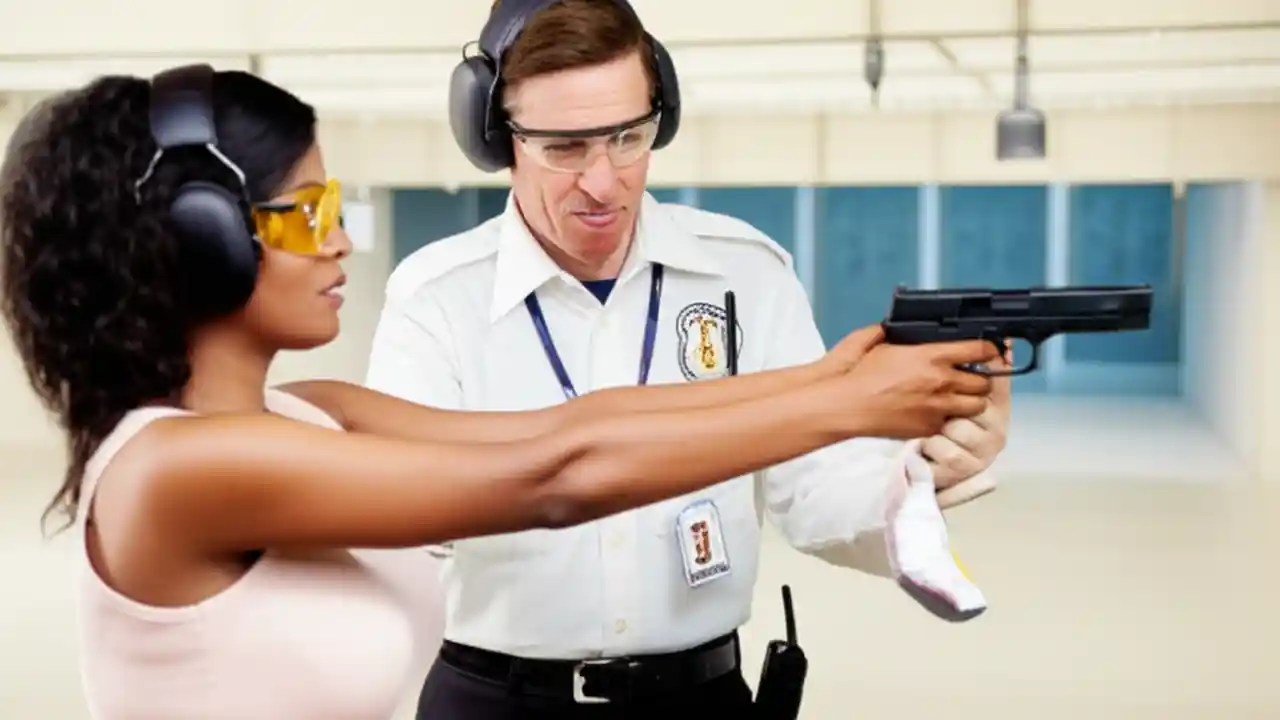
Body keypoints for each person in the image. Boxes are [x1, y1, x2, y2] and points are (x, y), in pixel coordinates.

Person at [0, 64, 1000, 720]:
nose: (343, 240)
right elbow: (556, 477)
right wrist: (853, 407)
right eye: (308, 215)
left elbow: (576, 422)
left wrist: (834, 372)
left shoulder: (314, 413)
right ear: (202, 241)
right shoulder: (179, 468)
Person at [364, 0, 1014, 717]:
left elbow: (814, 491)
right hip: (496, 699)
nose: (603, 182)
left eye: (627, 137)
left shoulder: (746, 273)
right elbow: (407, 519)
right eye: (564, 148)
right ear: (497, 137)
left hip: (700, 698)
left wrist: (920, 472)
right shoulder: (435, 298)